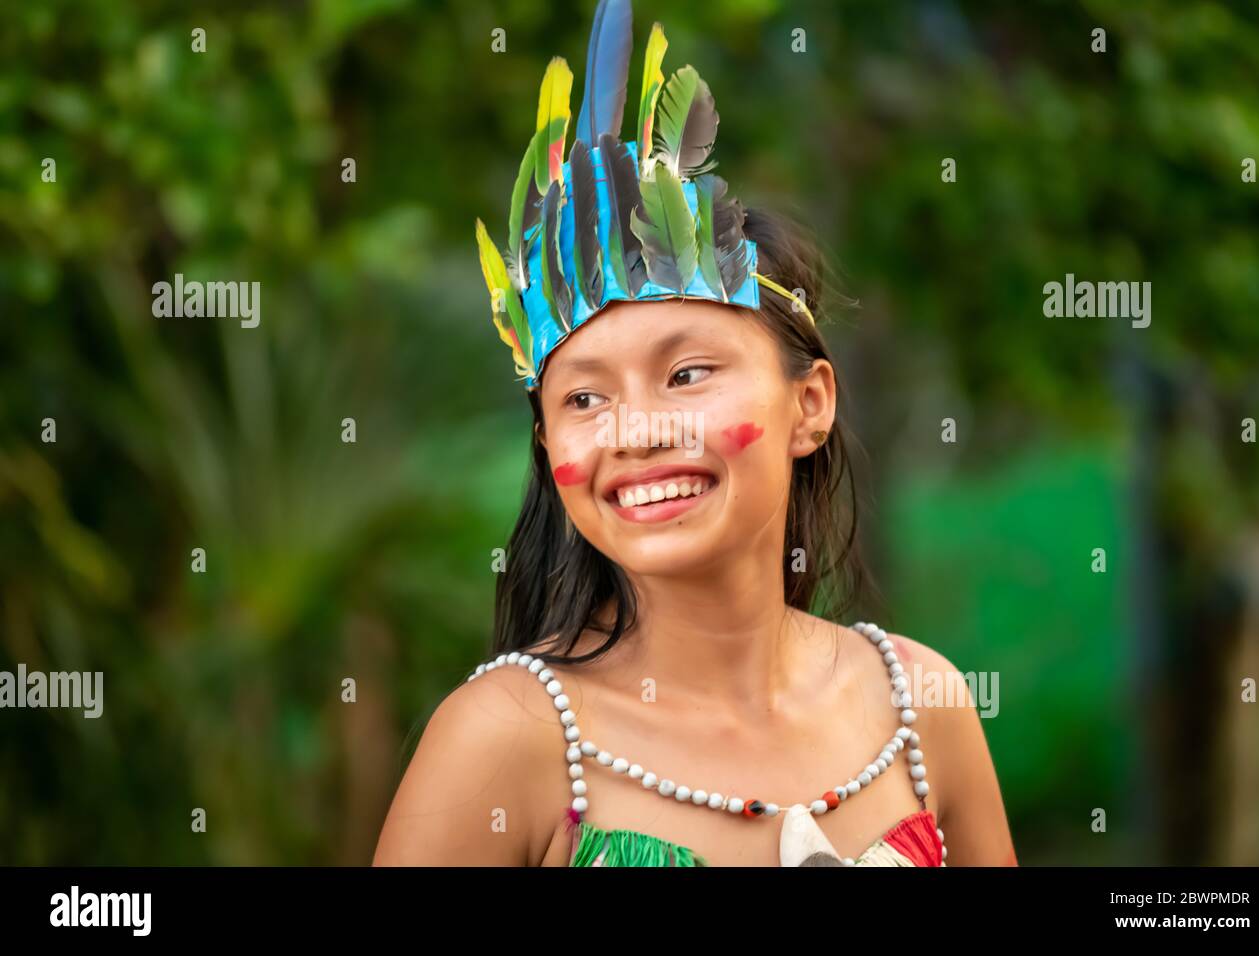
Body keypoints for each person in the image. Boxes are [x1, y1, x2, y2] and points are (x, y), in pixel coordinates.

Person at [373, 0, 1015, 867]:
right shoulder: (504, 743)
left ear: (810, 405)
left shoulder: (922, 702)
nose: (634, 431)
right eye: (585, 401)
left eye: (686, 375)